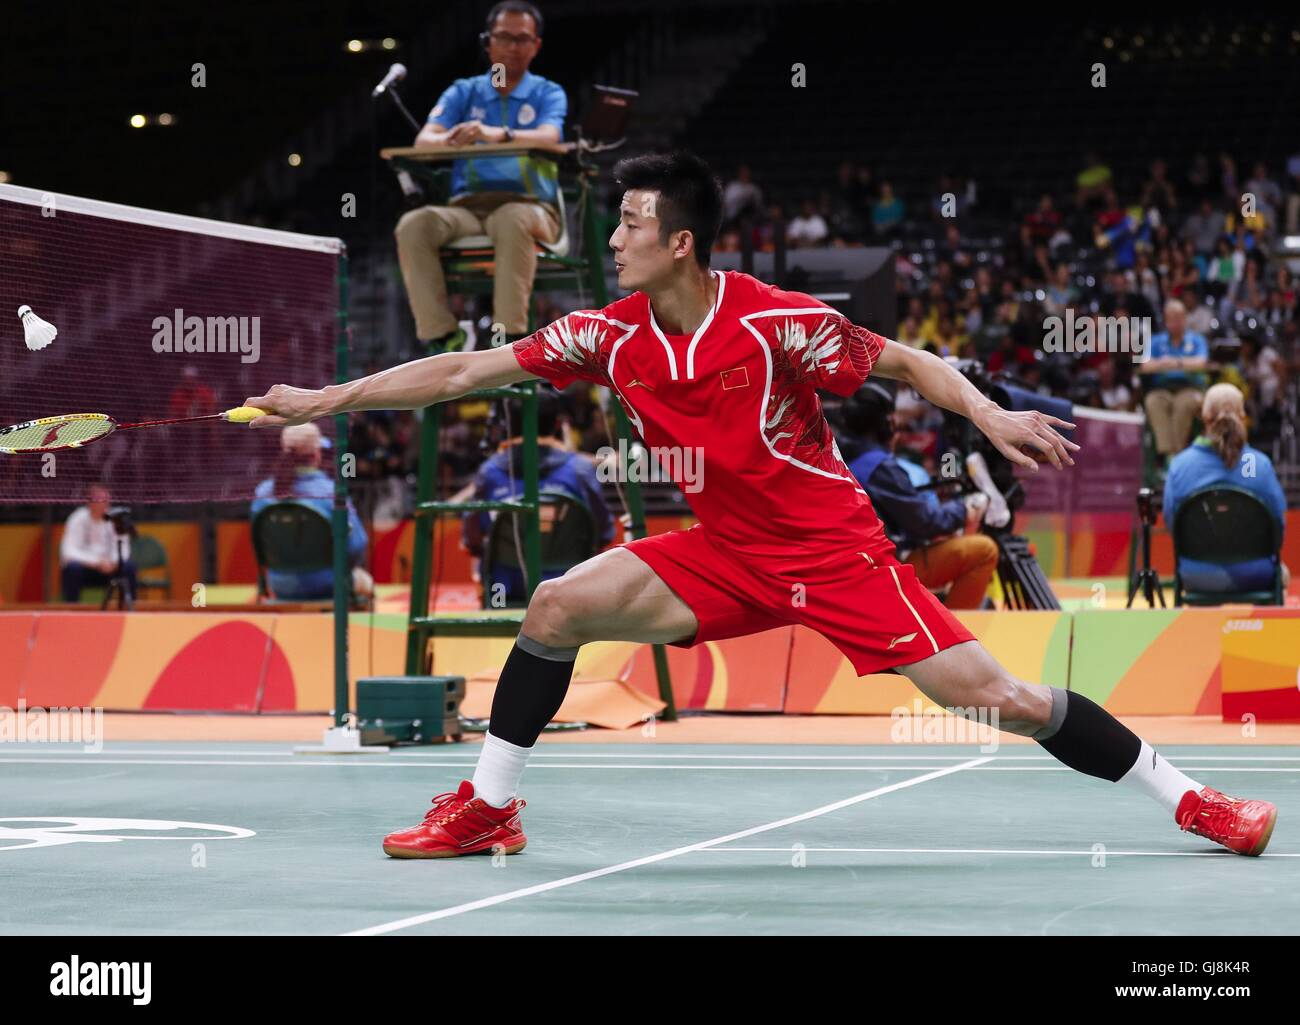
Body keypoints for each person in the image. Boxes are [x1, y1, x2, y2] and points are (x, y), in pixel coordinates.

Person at [246, 151, 1276, 860]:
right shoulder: (612, 337)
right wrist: (326, 398)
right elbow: (466, 368)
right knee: (556, 604)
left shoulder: (773, 323)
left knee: (1003, 697)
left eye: (634, 224)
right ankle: (490, 807)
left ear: (683, 242)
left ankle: (1195, 799)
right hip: (725, 548)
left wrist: (989, 413)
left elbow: (908, 361)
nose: (616, 239)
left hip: (836, 554)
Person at [393, 1, 566, 353]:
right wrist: (453, 136)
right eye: (504, 37)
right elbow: (424, 141)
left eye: (522, 39)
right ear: (488, 42)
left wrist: (496, 134)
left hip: (532, 210)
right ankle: (444, 335)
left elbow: (549, 137)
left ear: (536, 46)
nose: (512, 47)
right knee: (414, 225)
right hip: (468, 212)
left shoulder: (547, 92)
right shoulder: (464, 92)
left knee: (510, 218)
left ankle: (510, 342)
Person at [839, 383, 998, 609]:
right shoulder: (879, 467)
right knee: (984, 550)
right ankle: (955, 636)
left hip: (851, 566)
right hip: (881, 569)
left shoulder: (839, 460)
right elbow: (926, 522)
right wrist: (965, 509)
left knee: (943, 542)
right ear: (887, 427)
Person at [463, 393, 614, 603]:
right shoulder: (580, 470)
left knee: (495, 586)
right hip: (569, 587)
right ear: (557, 424)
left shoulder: (489, 473)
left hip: (503, 589)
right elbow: (604, 532)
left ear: (509, 425)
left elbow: (472, 539)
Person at [1163, 384, 1288, 595]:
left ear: (1204, 416)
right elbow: (1278, 526)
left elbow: (1171, 524)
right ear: (1242, 415)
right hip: (1255, 574)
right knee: (1283, 574)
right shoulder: (1257, 464)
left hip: (1197, 575)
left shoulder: (1180, 465)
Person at [250, 423, 373, 600]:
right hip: (329, 583)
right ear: (316, 454)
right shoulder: (332, 492)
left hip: (280, 585)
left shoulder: (262, 493)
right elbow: (357, 545)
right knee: (366, 583)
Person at [1139, 298, 1209, 465]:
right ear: (1166, 321)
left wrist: (1176, 362)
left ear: (1185, 319)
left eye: (1179, 318)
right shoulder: (1156, 341)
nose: (1175, 323)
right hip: (1162, 388)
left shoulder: (1197, 340)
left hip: (1189, 388)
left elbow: (1201, 362)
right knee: (1153, 402)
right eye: (1171, 319)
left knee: (1183, 404)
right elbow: (1144, 364)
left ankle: (1175, 456)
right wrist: (1163, 363)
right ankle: (1169, 454)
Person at [60, 484, 135, 602]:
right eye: (100, 500)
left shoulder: (116, 518)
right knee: (72, 568)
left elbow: (124, 549)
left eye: (107, 499)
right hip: (86, 568)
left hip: (111, 567)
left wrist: (114, 562)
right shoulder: (77, 518)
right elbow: (68, 551)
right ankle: (71, 609)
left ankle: (130, 608)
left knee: (128, 567)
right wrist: (97, 562)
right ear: (89, 502)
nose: (105, 503)